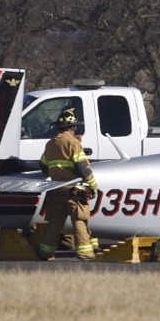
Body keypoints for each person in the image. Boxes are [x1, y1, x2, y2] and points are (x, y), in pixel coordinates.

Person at [37, 107, 99, 261]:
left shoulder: (50, 144)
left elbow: (43, 164)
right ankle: (85, 253)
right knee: (79, 221)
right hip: (74, 191)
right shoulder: (73, 143)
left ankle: (45, 252)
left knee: (54, 223)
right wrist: (92, 186)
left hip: (56, 189)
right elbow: (83, 167)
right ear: (73, 127)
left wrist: (55, 175)